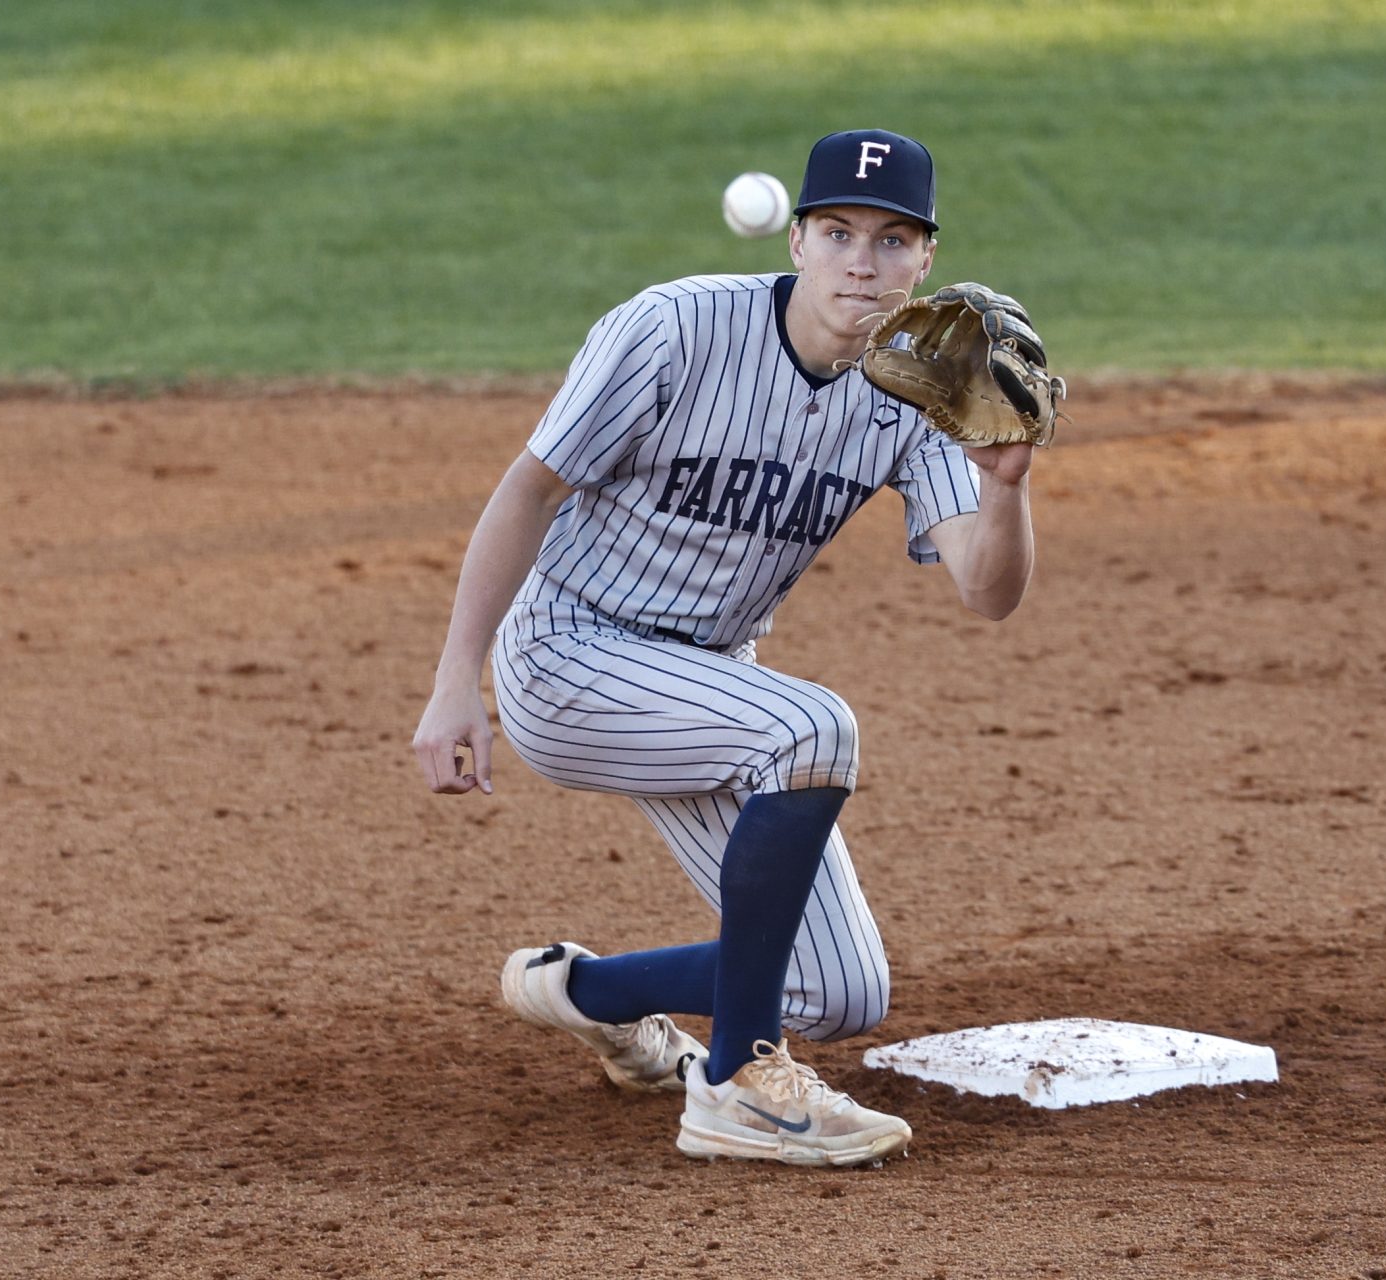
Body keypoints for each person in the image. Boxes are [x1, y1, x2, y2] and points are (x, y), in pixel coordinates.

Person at [411, 128, 1039, 1168]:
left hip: (707, 683)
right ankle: (738, 1080)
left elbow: (987, 590)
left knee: (843, 993)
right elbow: (529, 488)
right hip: (571, 654)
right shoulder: (671, 329)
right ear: (798, 239)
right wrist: (453, 682)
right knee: (812, 726)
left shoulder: (923, 392)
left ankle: (587, 992)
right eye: (838, 231)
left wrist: (1009, 488)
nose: (861, 261)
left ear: (925, 259)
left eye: (891, 241)